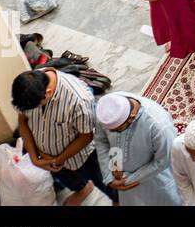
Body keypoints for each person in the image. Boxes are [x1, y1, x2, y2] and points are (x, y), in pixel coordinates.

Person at [11, 67, 116, 206]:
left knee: (106, 184)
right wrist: (34, 156)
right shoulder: (29, 89)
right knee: (69, 178)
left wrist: (58, 160)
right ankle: (83, 189)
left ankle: (118, 201)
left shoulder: (78, 101)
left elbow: (86, 137)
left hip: (82, 158)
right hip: (49, 159)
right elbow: (23, 121)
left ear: (47, 94)